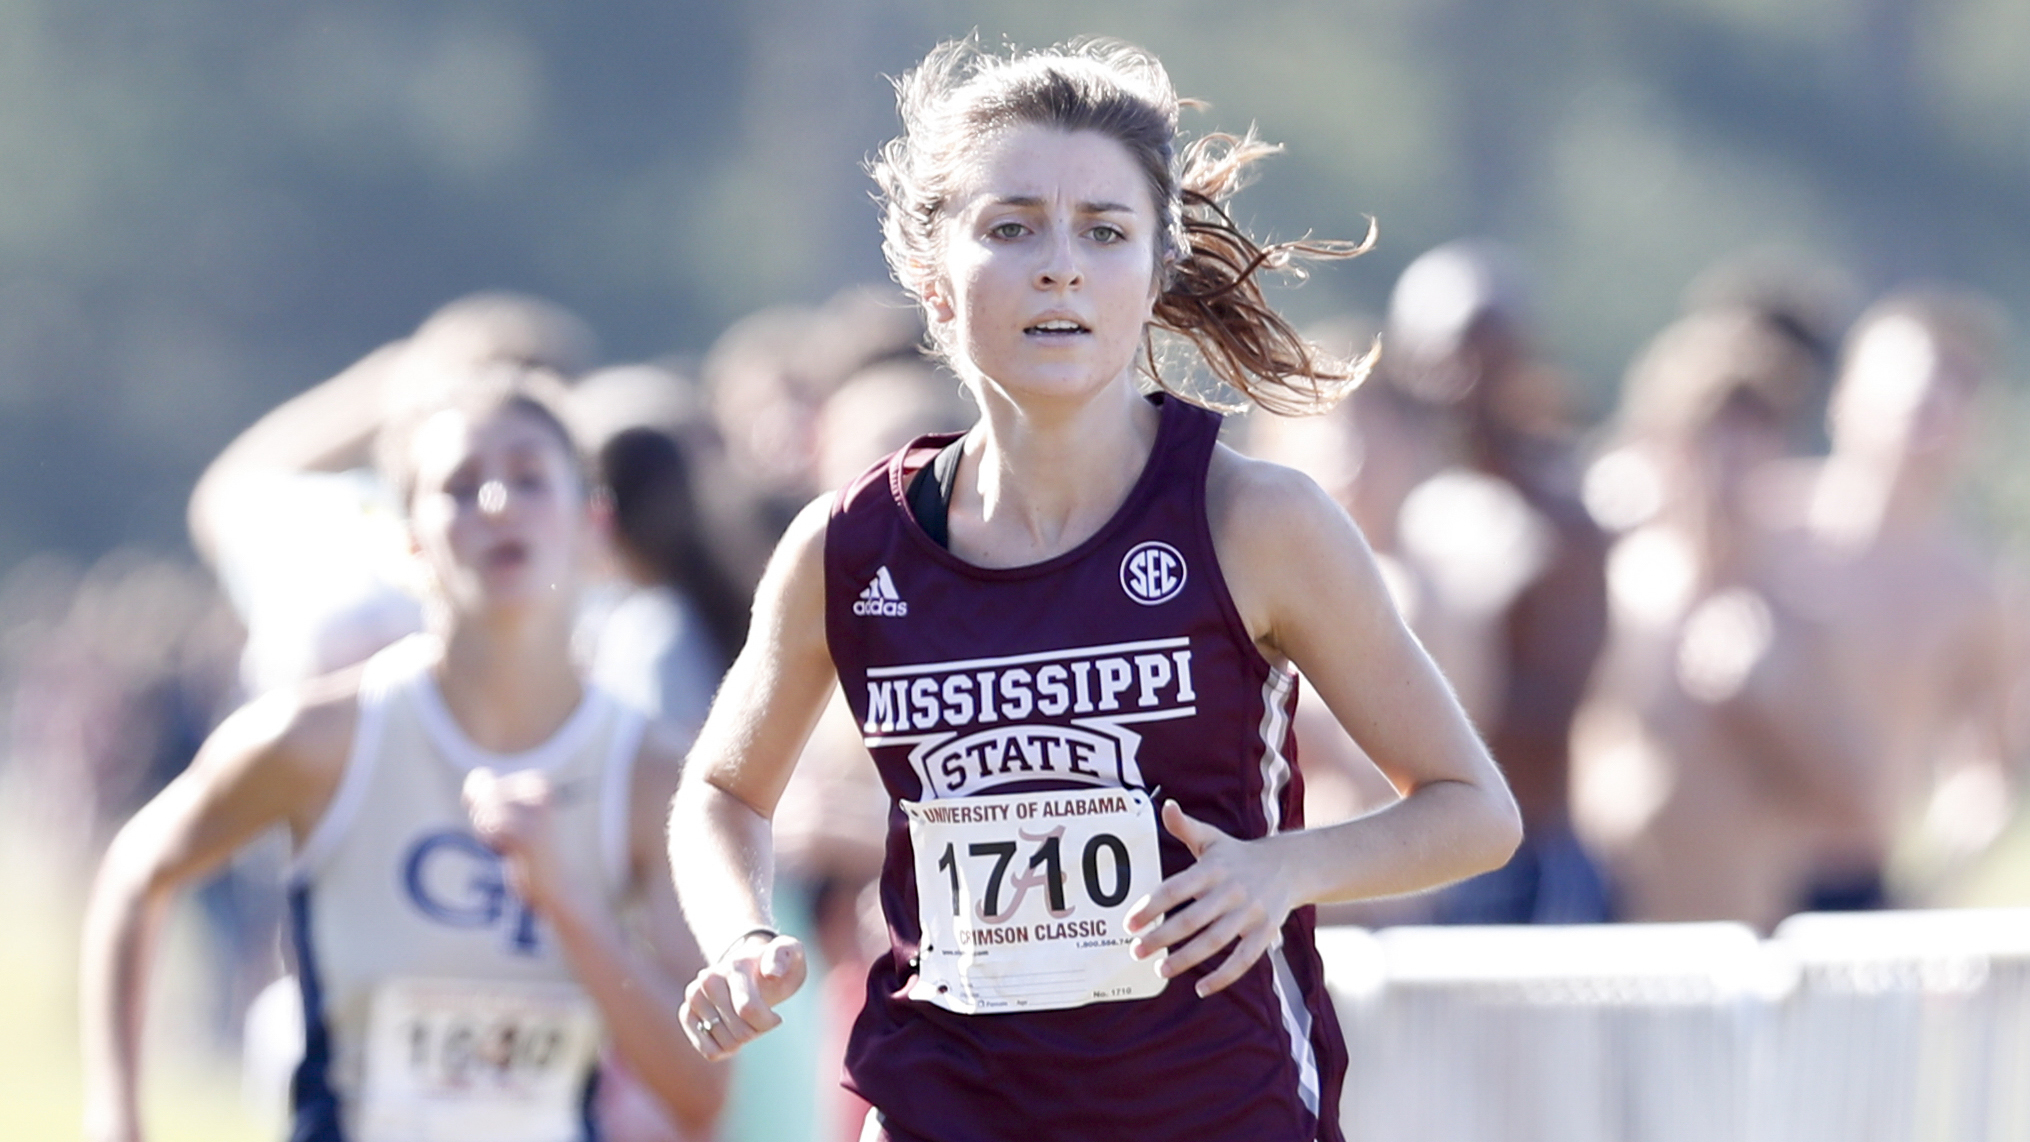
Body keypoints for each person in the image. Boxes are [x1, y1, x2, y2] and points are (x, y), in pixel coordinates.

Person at [667, 37, 1522, 1142]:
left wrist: (1282, 870)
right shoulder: (851, 546)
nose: (1059, 266)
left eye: (1103, 232)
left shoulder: (1254, 519)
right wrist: (741, 937)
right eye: (1011, 227)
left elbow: (1474, 809)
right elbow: (722, 792)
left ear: (1155, 268)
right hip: (944, 1111)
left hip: (1214, 1110)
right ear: (932, 272)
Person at [81, 366, 728, 1142]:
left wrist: (570, 906)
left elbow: (700, 1092)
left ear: (592, 525)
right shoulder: (320, 737)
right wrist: (115, 1112)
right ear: (411, 542)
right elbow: (134, 871)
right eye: (459, 487)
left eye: (529, 478)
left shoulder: (648, 772)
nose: (497, 504)